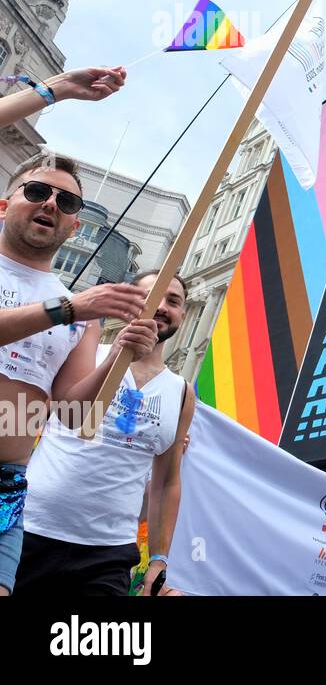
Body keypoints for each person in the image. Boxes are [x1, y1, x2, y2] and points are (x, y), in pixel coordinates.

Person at [0, 150, 165, 596]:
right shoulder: (75, 306)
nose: (51, 204)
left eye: (67, 202)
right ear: (5, 203)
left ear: (74, 227)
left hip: (7, 491)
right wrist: (71, 307)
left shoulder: (83, 315)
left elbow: (75, 416)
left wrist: (118, 358)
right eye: (37, 192)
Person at [15, 270, 194, 596]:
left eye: (174, 300)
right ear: (130, 302)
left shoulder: (181, 393)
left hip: (108, 553)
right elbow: (34, 419)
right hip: (32, 530)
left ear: (183, 313)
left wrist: (158, 557)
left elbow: (168, 481)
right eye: (153, 295)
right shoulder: (86, 353)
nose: (163, 306)